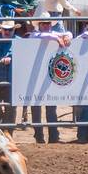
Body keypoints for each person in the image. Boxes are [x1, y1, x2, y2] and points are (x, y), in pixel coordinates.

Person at [28, 12, 72, 143]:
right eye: (44, 24)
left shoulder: (53, 34)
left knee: (51, 108)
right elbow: (37, 36)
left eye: (48, 23)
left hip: (48, 75)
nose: (46, 26)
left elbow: (69, 34)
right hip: (36, 75)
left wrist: (66, 36)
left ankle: (53, 135)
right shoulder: (34, 35)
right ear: (39, 25)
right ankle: (39, 136)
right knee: (36, 108)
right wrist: (57, 38)